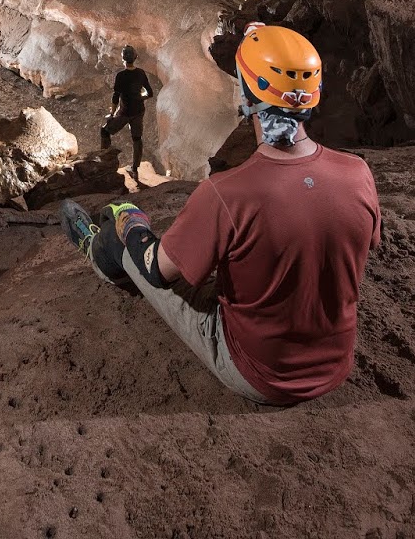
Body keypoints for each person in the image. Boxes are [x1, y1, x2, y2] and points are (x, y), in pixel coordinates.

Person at [63, 22, 380, 406]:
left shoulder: (227, 194)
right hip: (334, 364)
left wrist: (133, 220)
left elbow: (155, 270)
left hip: (259, 373)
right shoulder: (357, 174)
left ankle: (97, 248)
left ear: (247, 97)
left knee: (123, 229)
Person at [99, 45, 154, 183]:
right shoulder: (141, 73)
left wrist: (111, 113)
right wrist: (140, 97)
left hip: (124, 112)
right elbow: (150, 93)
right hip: (138, 111)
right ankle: (135, 170)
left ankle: (105, 165)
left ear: (123, 59)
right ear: (135, 58)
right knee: (137, 139)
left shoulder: (121, 76)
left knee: (105, 132)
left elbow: (115, 97)